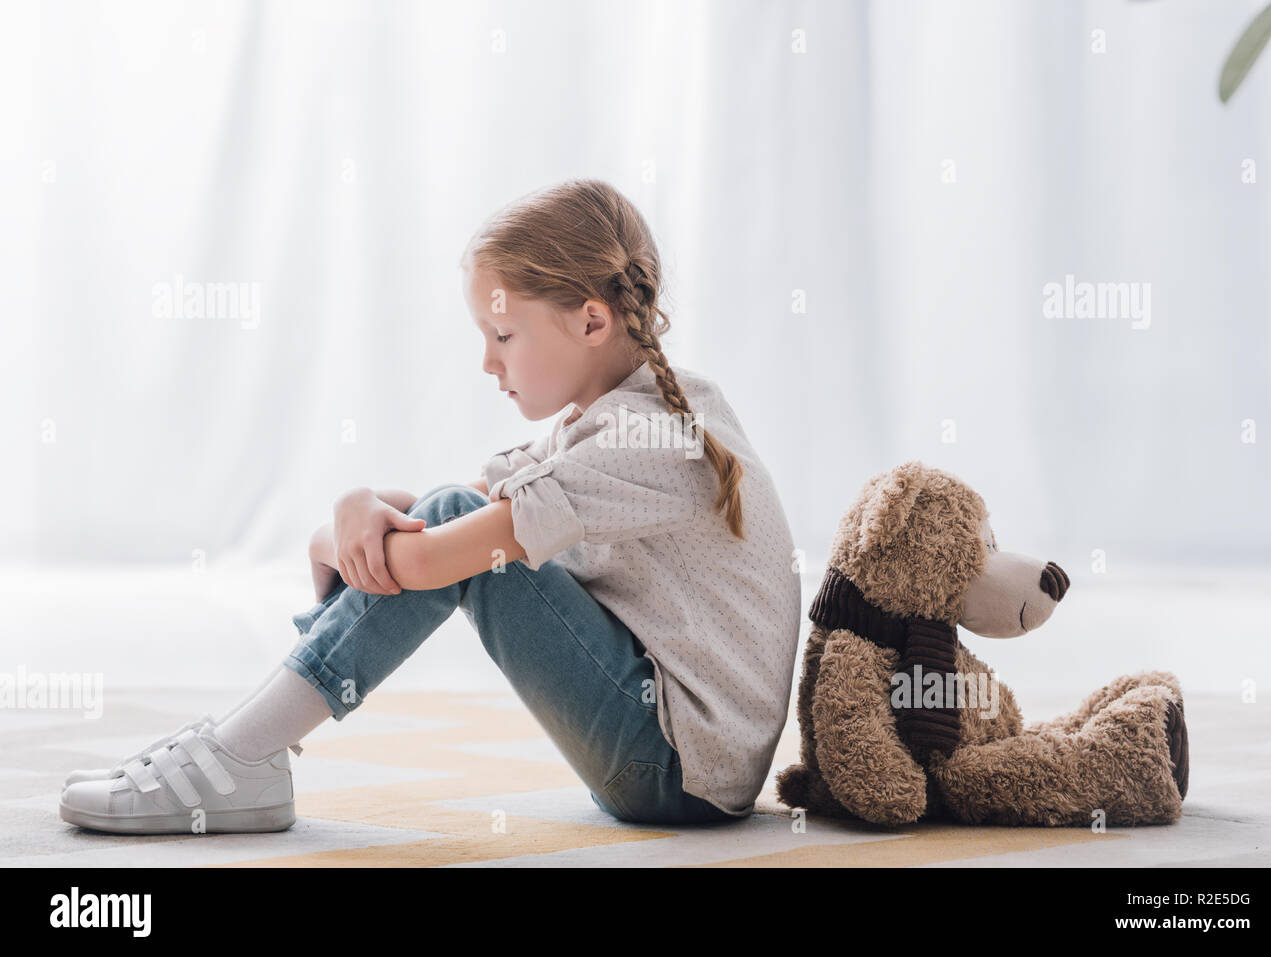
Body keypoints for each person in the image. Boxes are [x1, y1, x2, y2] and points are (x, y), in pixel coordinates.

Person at [58, 179, 802, 834]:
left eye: (503, 334)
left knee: (455, 530)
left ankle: (240, 753)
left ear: (591, 320)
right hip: (679, 761)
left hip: (673, 772)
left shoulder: (650, 440)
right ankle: (243, 746)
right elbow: (453, 519)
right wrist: (351, 511)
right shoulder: (615, 419)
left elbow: (429, 553)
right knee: (455, 517)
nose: (488, 362)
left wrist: (350, 531)